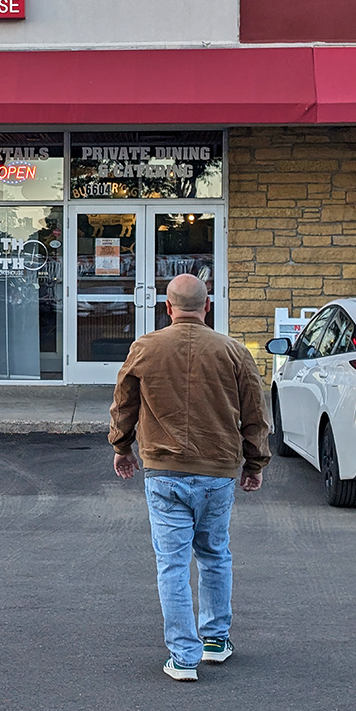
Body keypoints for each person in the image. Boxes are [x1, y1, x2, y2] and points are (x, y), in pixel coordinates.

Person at [108, 273, 270, 682]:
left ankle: (183, 657)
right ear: (207, 306)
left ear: (168, 307)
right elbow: (255, 413)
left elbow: (123, 404)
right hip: (217, 472)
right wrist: (255, 464)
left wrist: (121, 447)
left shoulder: (145, 348)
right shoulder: (233, 351)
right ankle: (215, 640)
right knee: (215, 555)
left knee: (173, 565)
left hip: (163, 472)